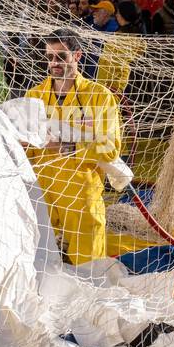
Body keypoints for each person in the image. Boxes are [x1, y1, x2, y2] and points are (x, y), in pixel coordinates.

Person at [24, 29, 122, 264]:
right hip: (41, 193)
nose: (54, 63)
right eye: (49, 57)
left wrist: (65, 146)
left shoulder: (99, 96)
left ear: (77, 56)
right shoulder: (34, 96)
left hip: (81, 195)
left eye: (61, 57)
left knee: (90, 268)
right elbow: (26, 149)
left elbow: (111, 147)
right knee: (39, 265)